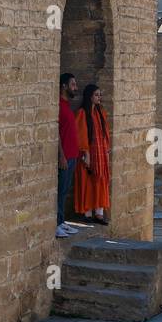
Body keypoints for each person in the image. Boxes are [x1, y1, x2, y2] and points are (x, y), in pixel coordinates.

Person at [72, 84, 111, 224]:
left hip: (100, 153)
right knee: (87, 181)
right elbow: (80, 135)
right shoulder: (82, 113)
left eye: (100, 94)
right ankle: (87, 213)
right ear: (90, 96)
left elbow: (105, 132)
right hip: (88, 153)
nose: (99, 97)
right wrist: (85, 154)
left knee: (101, 180)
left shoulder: (101, 112)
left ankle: (99, 213)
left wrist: (106, 148)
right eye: (96, 94)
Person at [56, 72, 80, 238]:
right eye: (72, 84)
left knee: (64, 191)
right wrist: (61, 156)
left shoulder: (66, 105)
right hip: (65, 157)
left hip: (73, 155)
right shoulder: (58, 105)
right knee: (60, 190)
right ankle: (56, 223)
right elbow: (56, 132)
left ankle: (62, 221)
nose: (75, 87)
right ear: (64, 86)